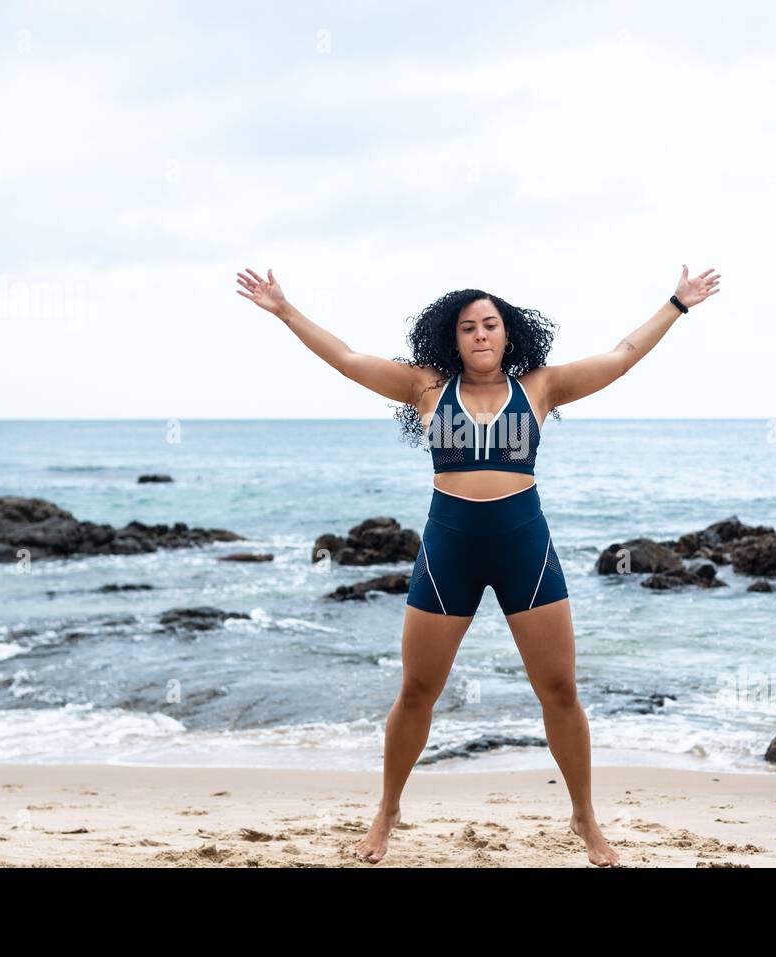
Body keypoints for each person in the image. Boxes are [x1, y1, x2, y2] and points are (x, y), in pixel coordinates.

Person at [235, 265, 721, 866]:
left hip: (525, 549)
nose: (481, 335)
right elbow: (346, 356)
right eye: (469, 328)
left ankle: (584, 817)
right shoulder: (425, 389)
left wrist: (678, 302)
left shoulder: (541, 388)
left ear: (508, 334)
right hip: (449, 552)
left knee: (561, 689)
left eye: (490, 324)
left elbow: (621, 355)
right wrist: (285, 310)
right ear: (453, 338)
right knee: (417, 690)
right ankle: (387, 809)